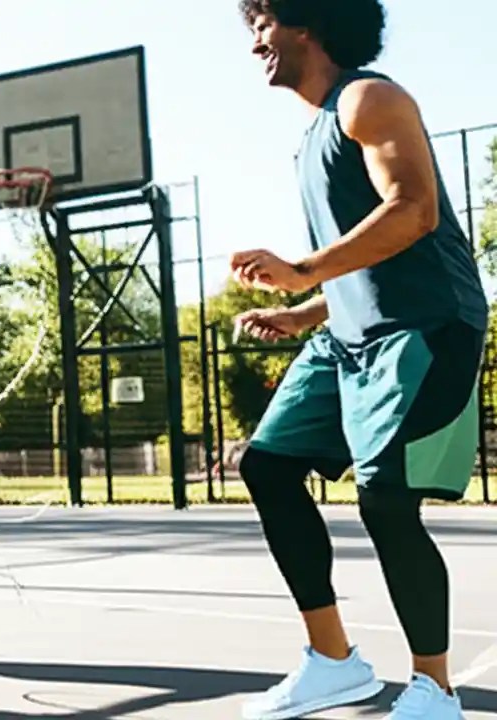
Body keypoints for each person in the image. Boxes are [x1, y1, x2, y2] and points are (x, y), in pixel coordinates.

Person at [231, 2, 486, 718]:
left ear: (306, 21)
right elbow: (366, 263)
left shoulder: (370, 99)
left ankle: (435, 691)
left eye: (263, 23)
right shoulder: (311, 136)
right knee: (268, 465)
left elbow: (414, 211)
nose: (255, 43)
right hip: (348, 337)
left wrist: (304, 269)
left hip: (425, 328)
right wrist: (306, 310)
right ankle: (333, 662)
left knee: (385, 500)